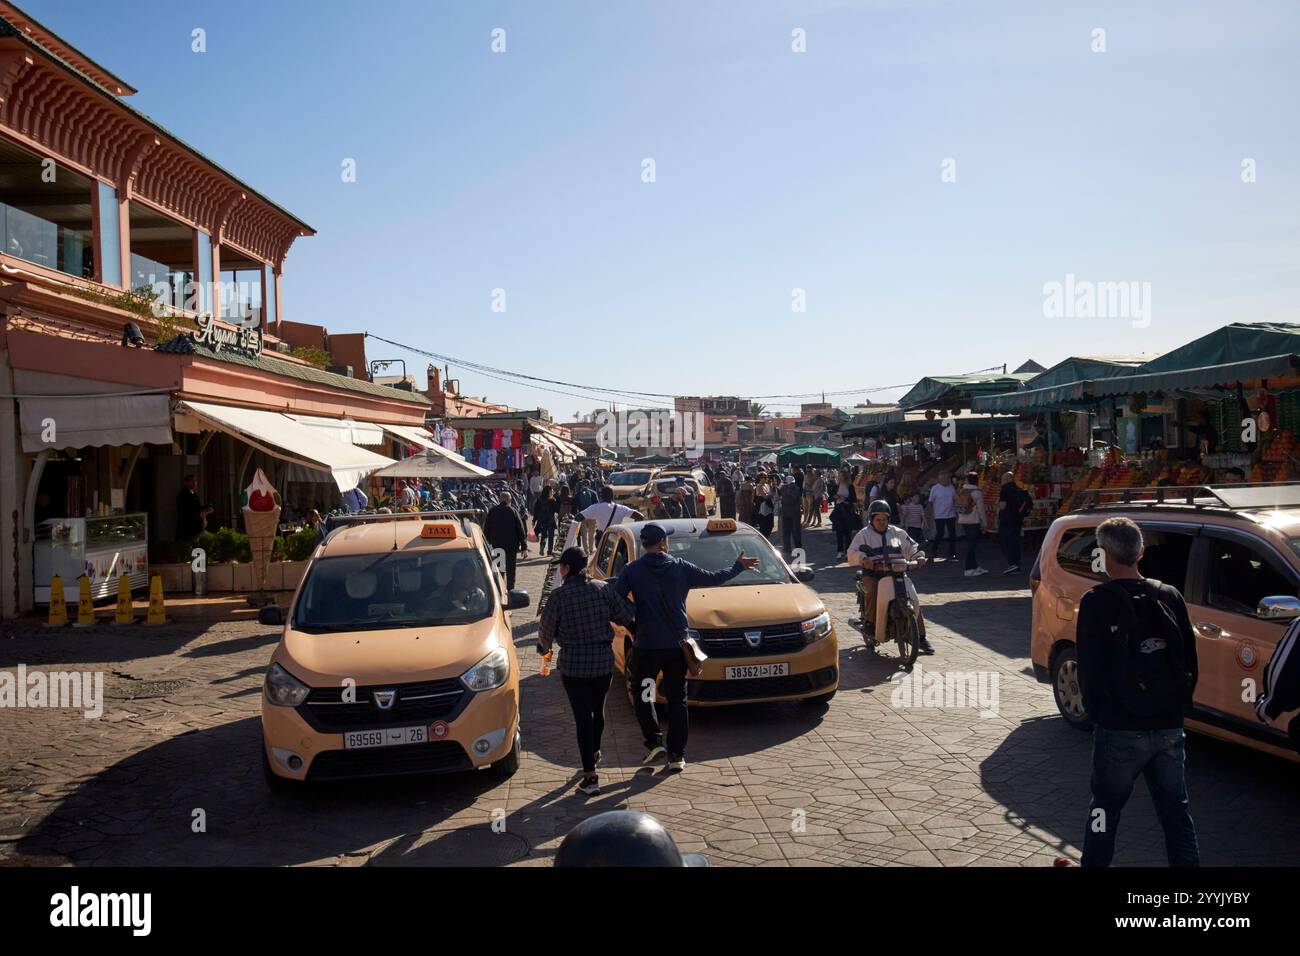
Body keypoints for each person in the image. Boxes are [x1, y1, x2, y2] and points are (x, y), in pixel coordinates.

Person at [1076, 517, 1199, 868]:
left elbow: (1090, 669)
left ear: (1103, 556)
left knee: (1103, 813)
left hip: (1119, 730)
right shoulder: (1169, 595)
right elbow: (1189, 660)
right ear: (1140, 552)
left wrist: (1103, 715)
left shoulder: (1096, 601)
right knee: (1177, 818)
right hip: (1168, 729)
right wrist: (1175, 709)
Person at [612, 524, 758, 772]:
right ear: (663, 543)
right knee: (678, 699)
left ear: (645, 544)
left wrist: (633, 624)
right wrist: (738, 566)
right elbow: (714, 578)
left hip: (646, 646)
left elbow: (615, 600)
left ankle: (654, 742)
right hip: (676, 646)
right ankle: (677, 755)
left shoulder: (632, 570)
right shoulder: (679, 567)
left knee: (643, 694)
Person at [538, 546, 635, 796]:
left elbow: (546, 631)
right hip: (602, 663)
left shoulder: (558, 597)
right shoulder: (602, 589)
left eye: (561, 566)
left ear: (567, 568)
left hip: (573, 666)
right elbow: (624, 615)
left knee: (582, 717)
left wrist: (544, 649)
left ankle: (590, 776)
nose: (560, 570)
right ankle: (594, 750)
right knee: (598, 711)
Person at [847, 500, 932, 653]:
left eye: (884, 519)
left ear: (889, 519)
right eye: (877, 519)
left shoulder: (898, 533)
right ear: (871, 520)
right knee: (872, 591)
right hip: (874, 574)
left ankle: (921, 637)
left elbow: (912, 547)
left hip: (897, 572)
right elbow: (852, 552)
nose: (881, 522)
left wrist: (918, 557)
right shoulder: (864, 534)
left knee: (912, 599)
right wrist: (863, 559)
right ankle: (870, 624)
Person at [484, 491, 527, 589]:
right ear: (509, 500)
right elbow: (520, 530)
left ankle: (499, 589)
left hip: (497, 546)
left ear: (499, 499)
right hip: (511, 547)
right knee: (511, 570)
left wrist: (487, 543)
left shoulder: (492, 511)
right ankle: (510, 590)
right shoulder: (513, 511)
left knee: (499, 570)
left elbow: (486, 529)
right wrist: (524, 547)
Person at [579, 486, 639, 552]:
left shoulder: (595, 507)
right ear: (612, 496)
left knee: (601, 559)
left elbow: (579, 517)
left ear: (601, 496)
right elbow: (640, 516)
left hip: (602, 540)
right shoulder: (621, 508)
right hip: (616, 539)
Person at [996, 471, 1033, 574]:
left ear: (1007, 480)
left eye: (1002, 480)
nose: (1001, 482)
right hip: (1017, 519)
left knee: (1005, 541)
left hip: (1007, 519)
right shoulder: (1018, 489)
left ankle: (1012, 564)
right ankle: (1016, 564)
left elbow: (1003, 506)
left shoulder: (1005, 490)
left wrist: (997, 504)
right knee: (1015, 542)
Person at [955, 471, 988, 577]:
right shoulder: (977, 492)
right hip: (974, 521)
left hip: (963, 520)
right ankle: (968, 568)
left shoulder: (961, 491)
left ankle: (975, 567)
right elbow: (981, 510)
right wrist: (984, 523)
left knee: (970, 544)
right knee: (972, 545)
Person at [928, 472, 958, 562]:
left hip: (950, 514)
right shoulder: (935, 488)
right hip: (939, 514)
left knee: (952, 533)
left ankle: (952, 552)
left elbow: (955, 499)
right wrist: (929, 513)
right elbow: (930, 501)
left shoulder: (951, 488)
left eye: (948, 478)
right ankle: (934, 549)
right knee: (940, 532)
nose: (947, 480)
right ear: (940, 480)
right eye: (945, 479)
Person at [175, 474, 212, 541]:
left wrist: (206, 508)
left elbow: (197, 507)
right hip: (187, 527)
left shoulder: (194, 494)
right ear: (186, 483)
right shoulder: (183, 495)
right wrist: (201, 513)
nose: (194, 482)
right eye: (192, 481)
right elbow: (186, 510)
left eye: (195, 480)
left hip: (195, 526)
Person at [778, 473, 803, 559]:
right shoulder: (784, 488)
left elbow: (792, 500)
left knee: (795, 532)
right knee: (786, 532)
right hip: (787, 513)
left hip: (794, 513)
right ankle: (787, 548)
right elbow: (779, 495)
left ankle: (798, 548)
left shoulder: (796, 489)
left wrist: (786, 494)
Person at [532, 485, 559, 556]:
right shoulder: (552, 500)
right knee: (551, 537)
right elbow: (556, 510)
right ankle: (549, 551)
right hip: (551, 520)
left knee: (544, 535)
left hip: (542, 520)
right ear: (550, 492)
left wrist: (534, 520)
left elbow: (536, 511)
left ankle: (542, 546)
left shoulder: (539, 500)